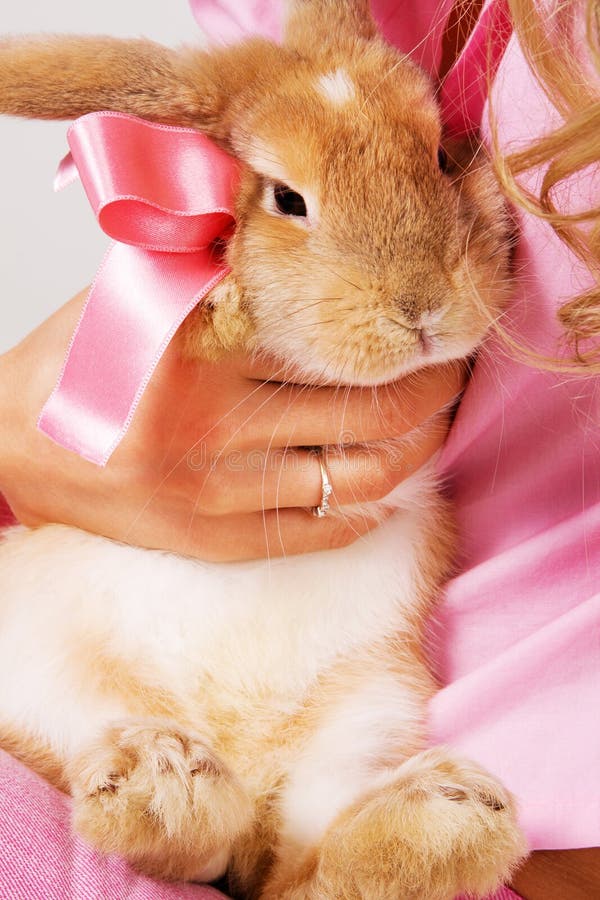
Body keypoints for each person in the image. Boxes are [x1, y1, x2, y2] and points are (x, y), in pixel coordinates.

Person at [0, 1, 598, 898]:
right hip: (112, 671)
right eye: (291, 200)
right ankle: (177, 811)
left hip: (452, 729)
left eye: (442, 163)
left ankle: (347, 858)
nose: (416, 295)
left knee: (359, 729)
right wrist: (27, 418)